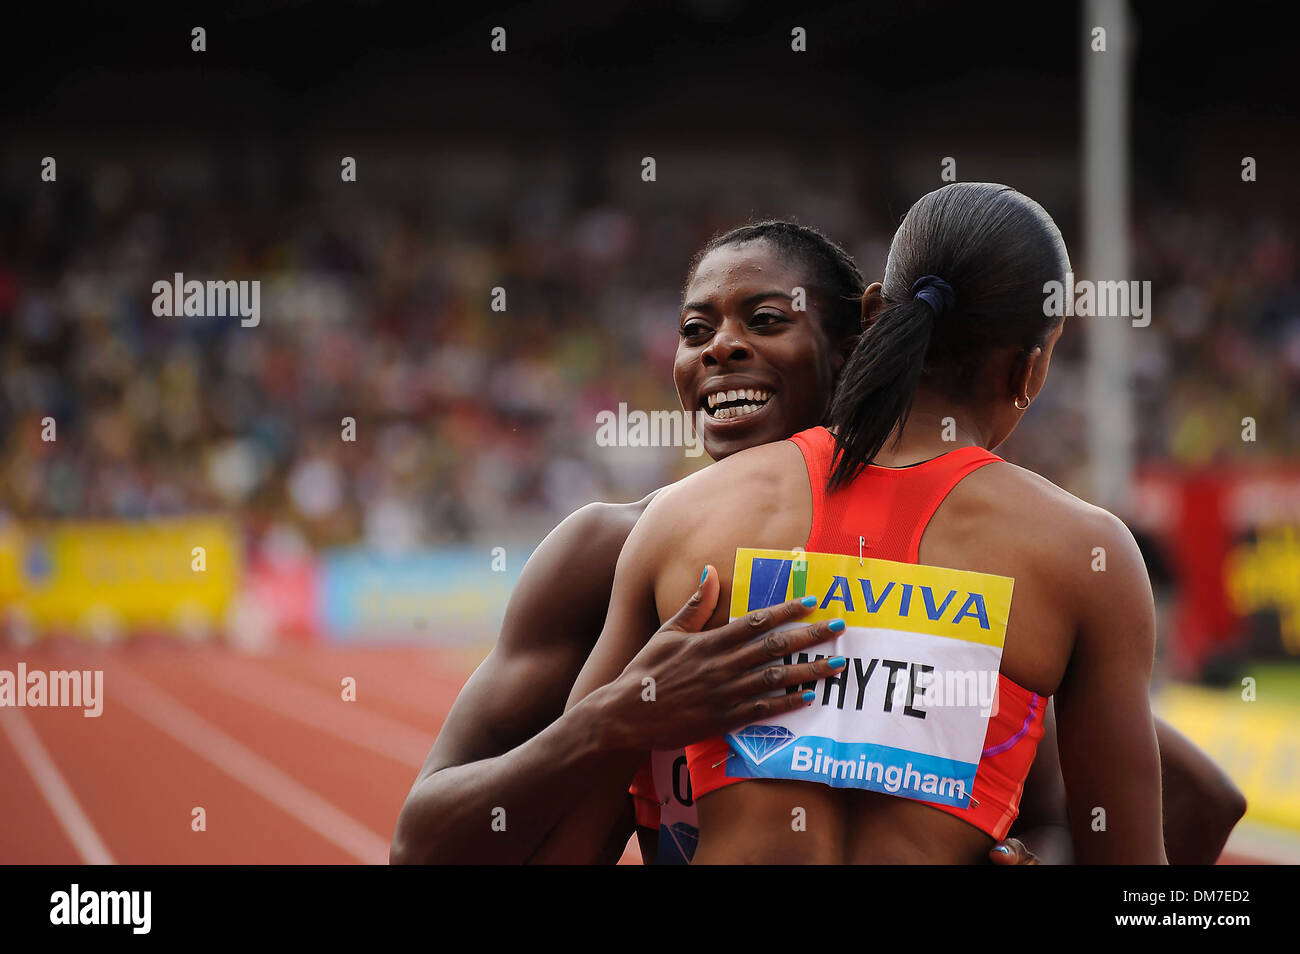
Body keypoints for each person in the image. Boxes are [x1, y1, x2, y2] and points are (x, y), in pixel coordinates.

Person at [392, 216, 1244, 865]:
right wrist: (614, 721)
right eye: (695, 331)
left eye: (763, 319)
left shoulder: (982, 575)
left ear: (863, 336)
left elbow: (1202, 801)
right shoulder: (617, 546)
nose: (722, 348)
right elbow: (421, 843)